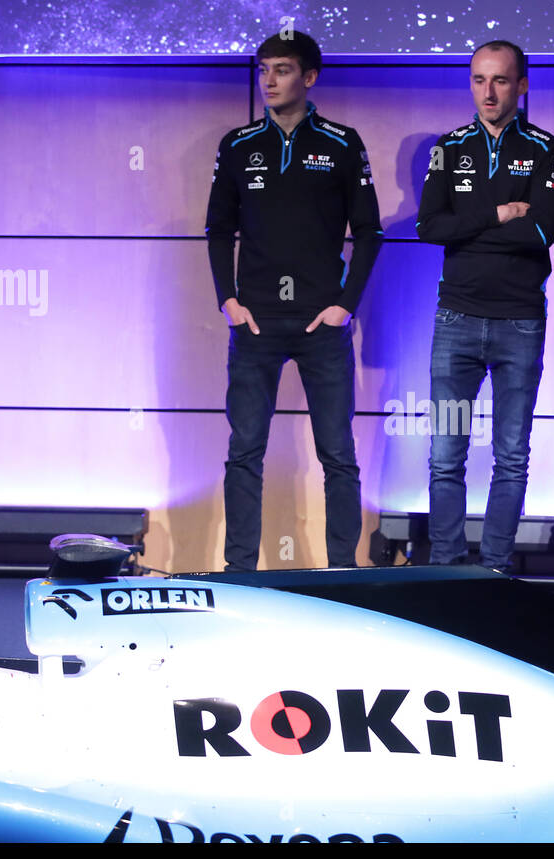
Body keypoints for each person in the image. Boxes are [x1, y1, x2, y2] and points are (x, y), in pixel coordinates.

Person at [205, 31, 383, 571]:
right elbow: (217, 230)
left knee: (338, 456)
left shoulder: (342, 142)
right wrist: (228, 302)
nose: (270, 80)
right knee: (244, 453)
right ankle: (239, 574)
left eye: (282, 70)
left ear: (309, 77)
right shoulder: (237, 145)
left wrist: (344, 304)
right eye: (263, 70)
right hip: (255, 325)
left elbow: (370, 232)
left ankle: (343, 576)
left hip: (322, 325)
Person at [416, 40, 554, 573]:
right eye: (479, 79)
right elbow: (429, 228)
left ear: (521, 85)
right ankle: (450, 573)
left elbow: (541, 232)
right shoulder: (448, 147)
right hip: (456, 322)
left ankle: (497, 572)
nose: (488, 91)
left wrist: (473, 227)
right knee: (444, 458)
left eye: (500, 80)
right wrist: (500, 212)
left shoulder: (548, 147)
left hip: (519, 324)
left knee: (511, 459)